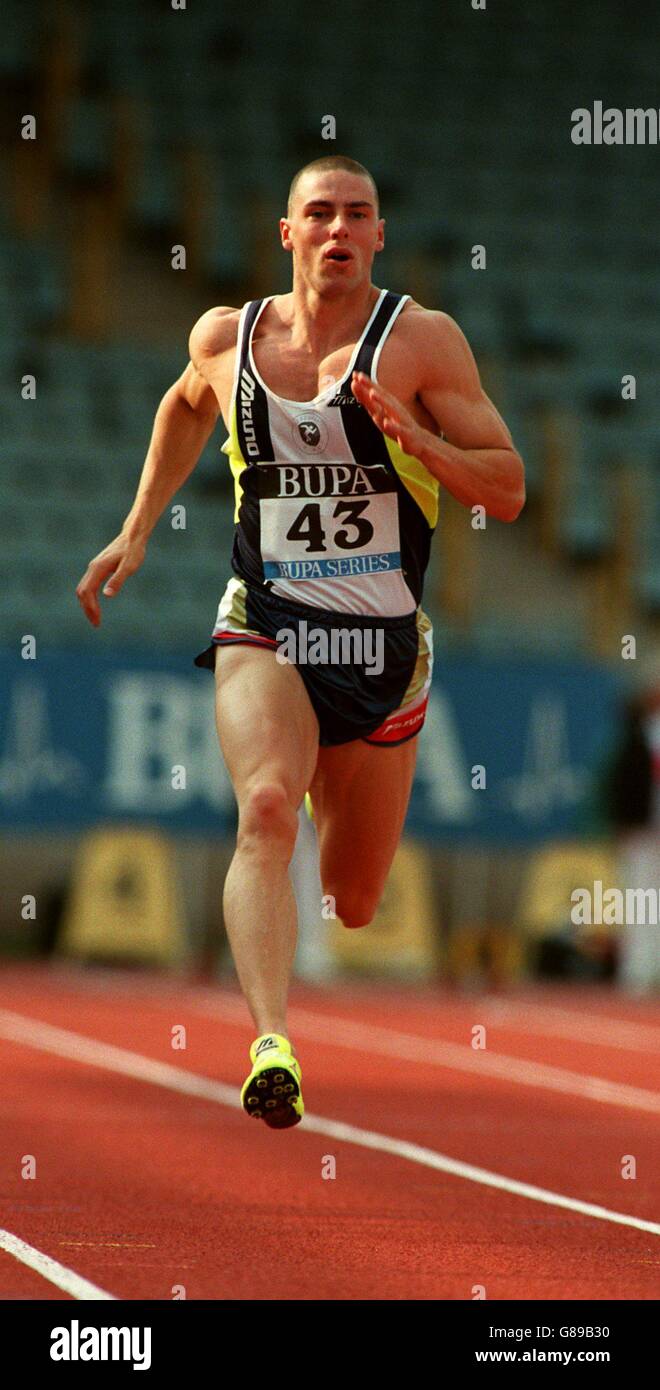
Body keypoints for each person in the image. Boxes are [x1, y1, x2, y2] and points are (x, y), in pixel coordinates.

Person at [76, 155, 525, 1129]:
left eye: (357, 214)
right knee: (268, 807)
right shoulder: (226, 338)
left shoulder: (422, 343)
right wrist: (137, 527)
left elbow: (508, 486)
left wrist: (418, 439)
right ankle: (272, 1045)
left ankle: (334, 771)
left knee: (353, 899)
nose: (337, 230)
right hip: (267, 624)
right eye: (319, 213)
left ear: (379, 236)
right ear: (287, 233)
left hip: (382, 653)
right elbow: (185, 404)